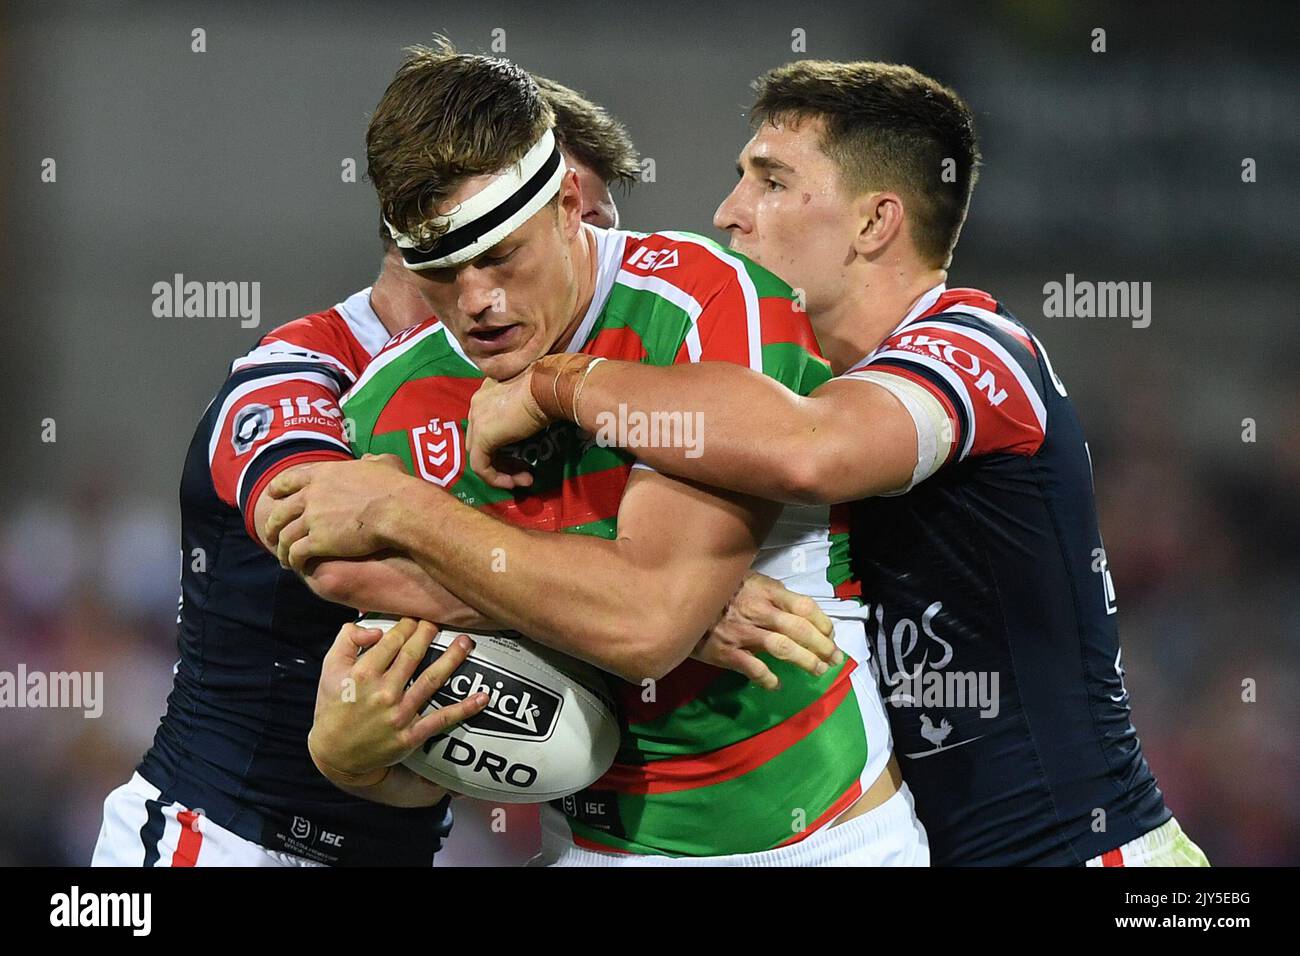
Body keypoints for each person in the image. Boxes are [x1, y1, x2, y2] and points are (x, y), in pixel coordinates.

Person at [465, 60, 1209, 867]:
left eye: (772, 182)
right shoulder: (782, 389)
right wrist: (686, 593)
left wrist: (555, 383)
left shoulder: (976, 355)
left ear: (874, 223)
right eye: (739, 179)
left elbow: (810, 452)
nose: (728, 214)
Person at [265, 44, 927, 866]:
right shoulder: (388, 402)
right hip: (586, 850)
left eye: (500, 254)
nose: (478, 304)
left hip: (827, 843)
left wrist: (410, 512)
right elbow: (434, 725)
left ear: (569, 203)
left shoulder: (710, 301)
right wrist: (353, 760)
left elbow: (646, 622)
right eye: (440, 271)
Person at [90, 68, 662, 867]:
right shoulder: (300, 371)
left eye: (603, 234)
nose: (607, 268)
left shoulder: (544, 400)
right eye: (570, 226)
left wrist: (657, 596)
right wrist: (653, 608)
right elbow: (329, 541)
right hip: (224, 837)